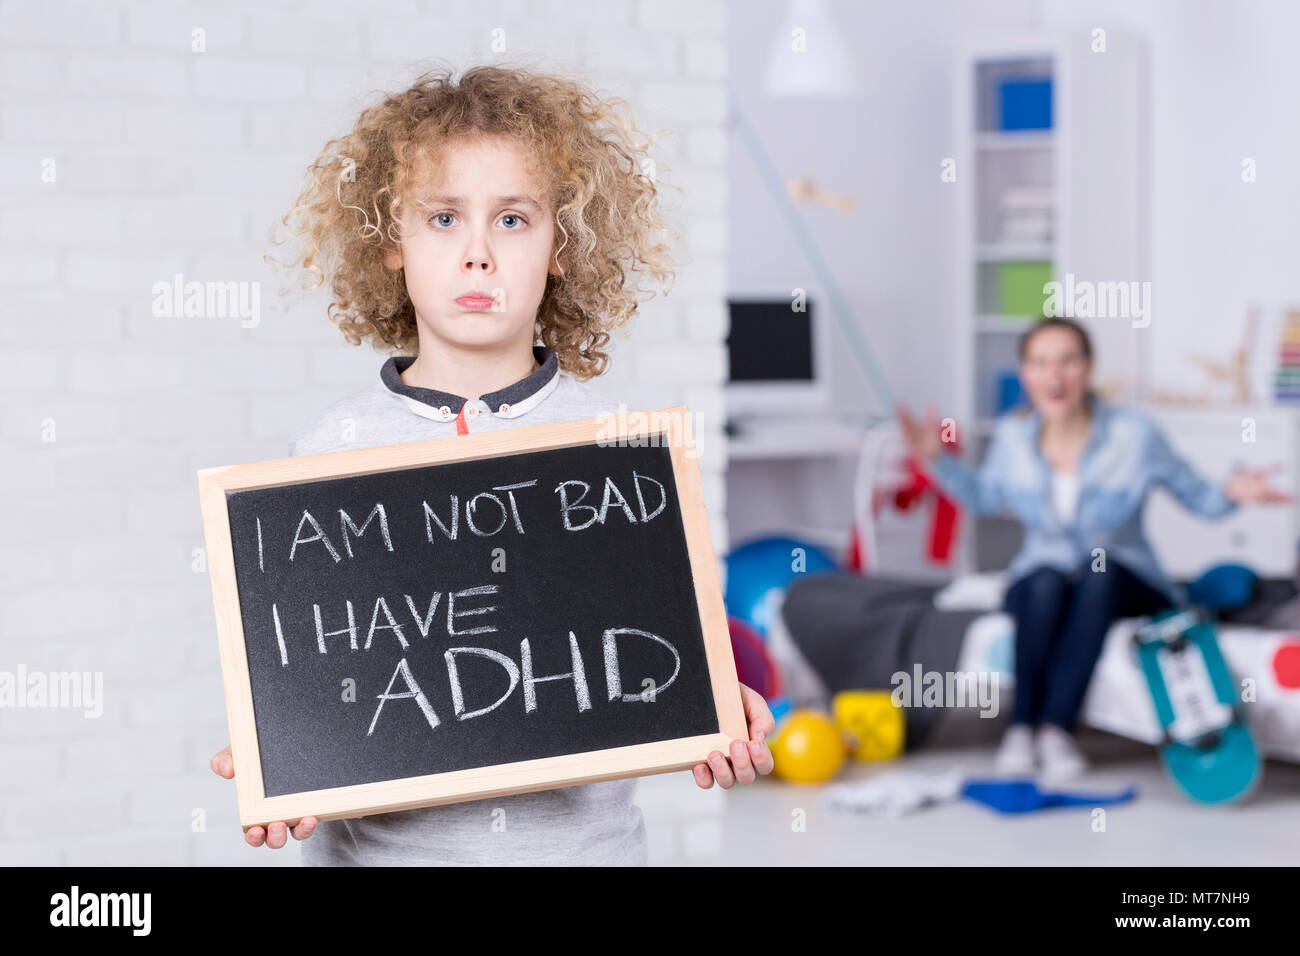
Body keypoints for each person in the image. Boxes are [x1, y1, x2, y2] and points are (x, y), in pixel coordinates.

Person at [209, 64, 775, 864]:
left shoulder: (620, 457)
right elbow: (320, 677)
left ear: (562, 248)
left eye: (513, 220)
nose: (477, 253)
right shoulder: (330, 451)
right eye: (442, 219)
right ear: (388, 249)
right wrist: (280, 763)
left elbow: (673, 652)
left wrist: (725, 707)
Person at [898, 318, 1291, 783]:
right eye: (1041, 363)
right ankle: (1021, 727)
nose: (1055, 375)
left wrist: (1232, 490)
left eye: (1068, 360)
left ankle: (1055, 730)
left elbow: (1199, 498)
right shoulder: (1011, 437)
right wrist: (936, 460)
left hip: (1122, 577)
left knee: (1095, 573)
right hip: (1043, 575)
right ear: (1026, 374)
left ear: (1088, 368)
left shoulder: (1135, 435)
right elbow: (984, 498)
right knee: (1043, 582)